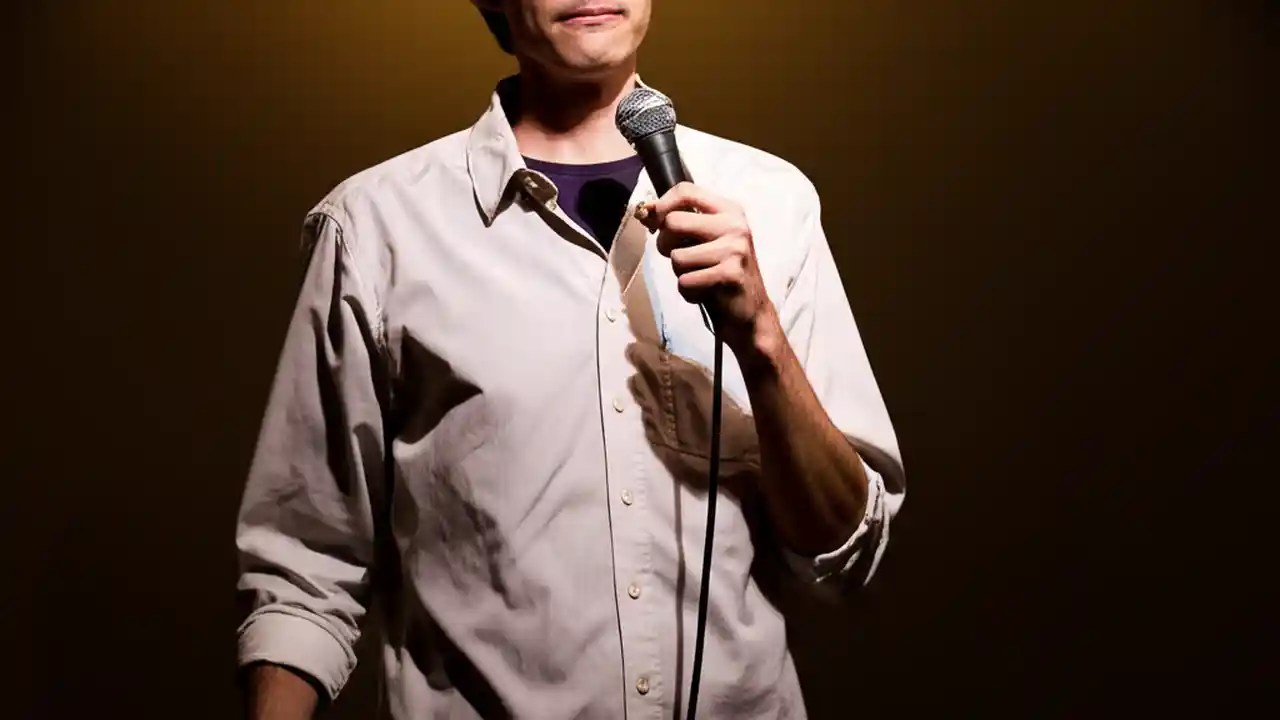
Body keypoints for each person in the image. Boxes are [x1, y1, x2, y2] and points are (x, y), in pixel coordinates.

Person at [235, 1, 905, 718]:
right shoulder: (376, 229)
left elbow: (845, 550)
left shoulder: (773, 205)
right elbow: (303, 573)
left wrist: (762, 339)